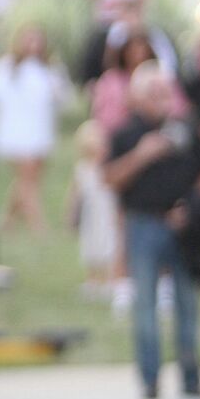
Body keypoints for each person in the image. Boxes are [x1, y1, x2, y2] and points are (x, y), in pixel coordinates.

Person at [104, 63, 200, 399]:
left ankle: (191, 377)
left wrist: (189, 209)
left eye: (165, 91)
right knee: (146, 306)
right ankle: (150, 379)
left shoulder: (186, 130)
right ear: (136, 97)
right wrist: (141, 155)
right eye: (153, 93)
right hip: (143, 223)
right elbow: (110, 178)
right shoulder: (125, 134)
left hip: (182, 226)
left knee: (187, 305)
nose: (161, 99)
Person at [0, 23, 71, 234]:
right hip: (14, 131)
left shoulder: (50, 70)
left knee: (29, 180)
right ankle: (38, 225)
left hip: (39, 130)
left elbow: (62, 97)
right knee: (27, 180)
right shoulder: (6, 68)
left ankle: (8, 222)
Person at [68, 120, 122, 302]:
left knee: (108, 243)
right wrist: (71, 214)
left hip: (106, 213)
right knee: (90, 245)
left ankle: (109, 279)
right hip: (90, 215)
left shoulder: (109, 168)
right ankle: (92, 279)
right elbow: (75, 194)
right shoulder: (82, 169)